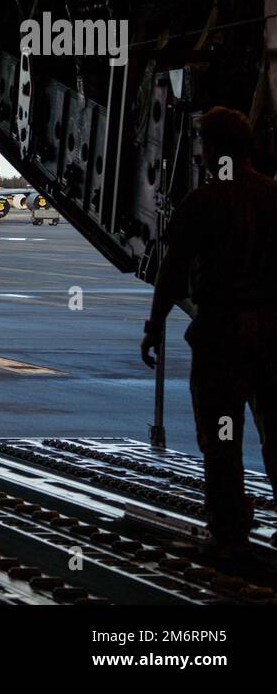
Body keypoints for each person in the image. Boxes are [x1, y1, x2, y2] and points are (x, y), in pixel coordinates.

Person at [141, 106, 277, 554]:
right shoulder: (274, 196)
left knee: (222, 434)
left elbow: (173, 270)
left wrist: (155, 324)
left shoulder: (203, 202)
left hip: (222, 336)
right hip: (272, 335)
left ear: (213, 148)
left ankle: (229, 529)